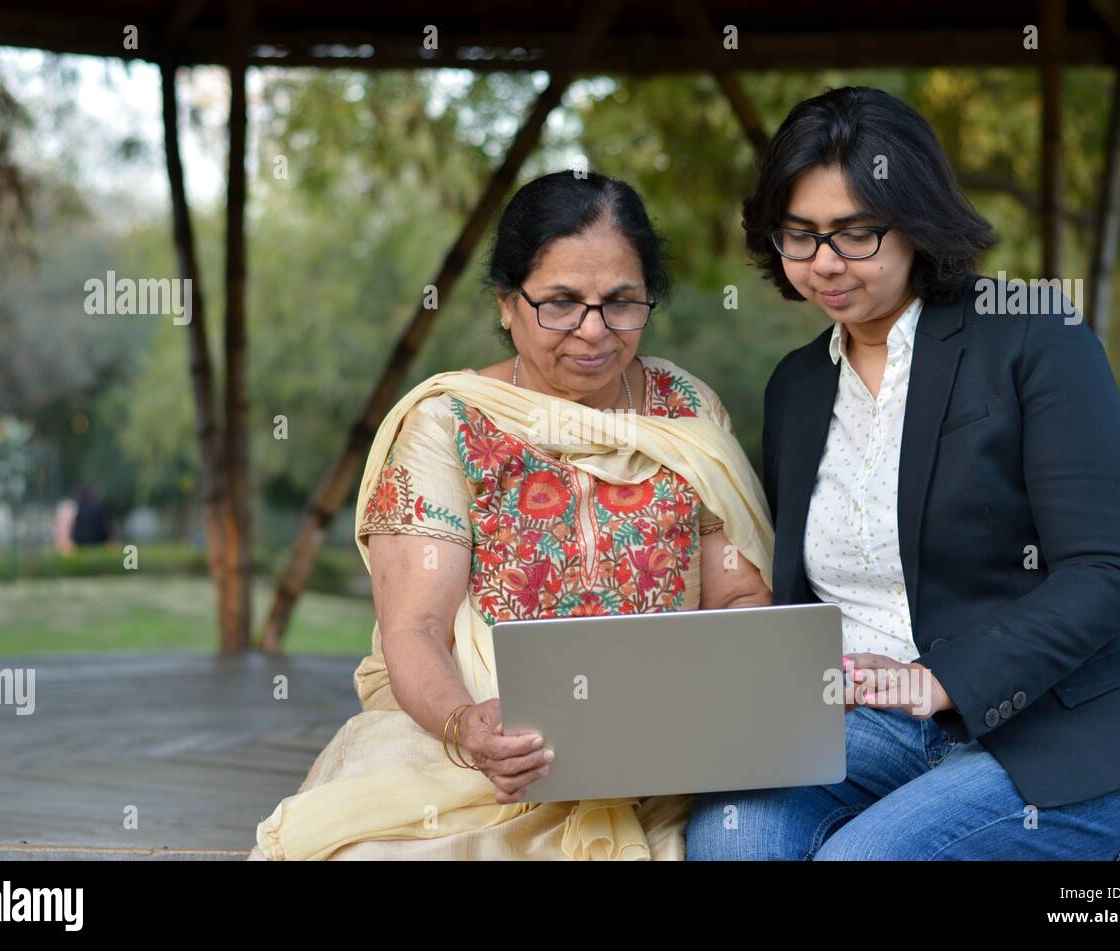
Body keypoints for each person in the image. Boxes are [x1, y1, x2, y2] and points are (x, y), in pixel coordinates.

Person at [687, 86, 1120, 860]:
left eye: (856, 233)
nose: (825, 263)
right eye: (799, 234)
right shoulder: (795, 387)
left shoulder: (1035, 339)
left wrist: (943, 679)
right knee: (730, 842)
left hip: (1059, 735)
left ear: (918, 220)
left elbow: (1106, 571)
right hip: (862, 732)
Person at [250, 170, 773, 860]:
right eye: (560, 302)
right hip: (480, 758)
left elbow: (736, 595)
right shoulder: (449, 424)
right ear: (506, 302)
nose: (594, 331)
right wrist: (471, 726)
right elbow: (416, 628)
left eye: (622, 302)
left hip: (664, 761)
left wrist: (702, 717)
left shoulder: (688, 411)